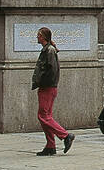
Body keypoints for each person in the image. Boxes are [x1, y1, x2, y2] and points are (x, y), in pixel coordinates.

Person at [31, 26, 74, 157]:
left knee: (43, 116)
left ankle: (66, 135)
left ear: (43, 37)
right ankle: (50, 146)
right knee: (46, 116)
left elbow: (52, 70)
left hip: (47, 87)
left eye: (38, 35)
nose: (37, 37)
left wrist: (42, 82)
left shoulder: (49, 50)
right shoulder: (47, 49)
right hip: (47, 87)